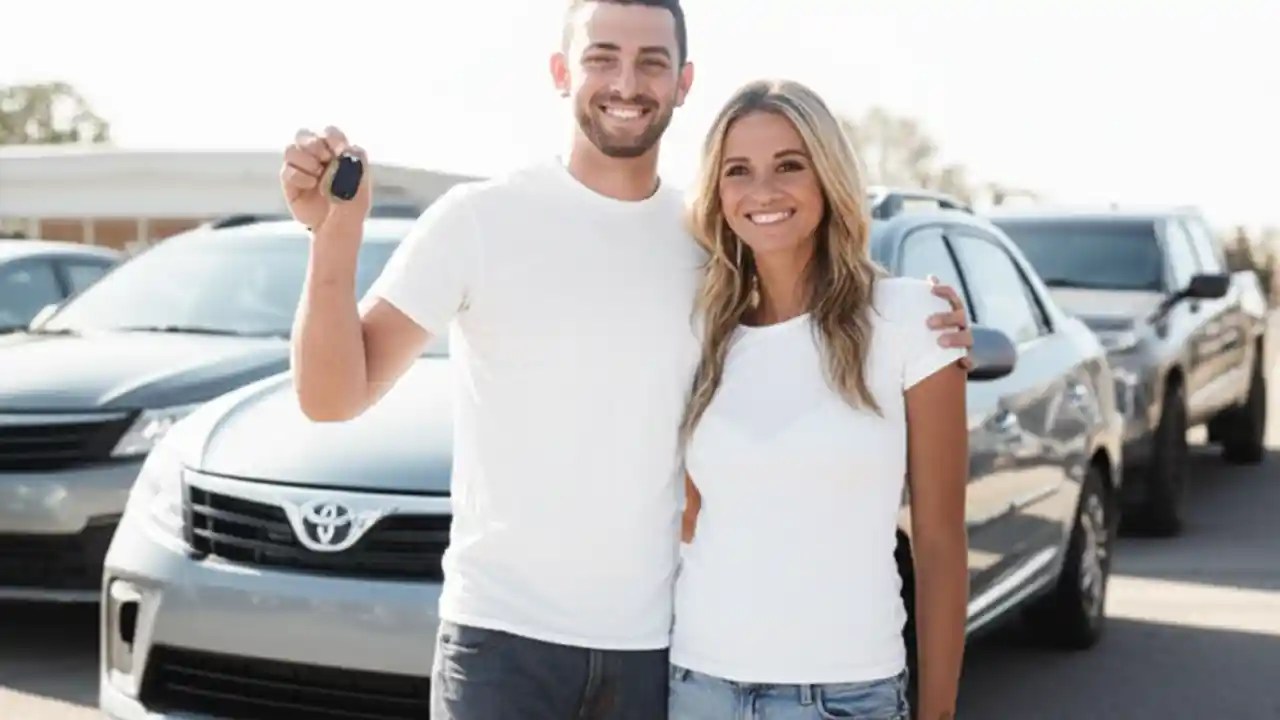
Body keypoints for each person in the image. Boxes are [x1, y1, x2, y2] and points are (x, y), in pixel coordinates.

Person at [278, 1, 973, 717]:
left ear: (683, 82)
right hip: (501, 641)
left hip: (656, 651)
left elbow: (803, 317)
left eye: (651, 62)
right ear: (560, 72)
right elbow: (331, 398)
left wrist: (919, 316)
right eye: (601, 57)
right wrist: (334, 239)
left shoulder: (709, 247)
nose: (626, 82)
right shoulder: (478, 220)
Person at [669, 79, 968, 720]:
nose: (764, 192)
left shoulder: (909, 318)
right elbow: (691, 516)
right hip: (700, 685)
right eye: (738, 171)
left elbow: (940, 541)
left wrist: (938, 713)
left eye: (789, 166)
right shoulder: (700, 333)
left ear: (827, 177)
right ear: (718, 195)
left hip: (844, 694)